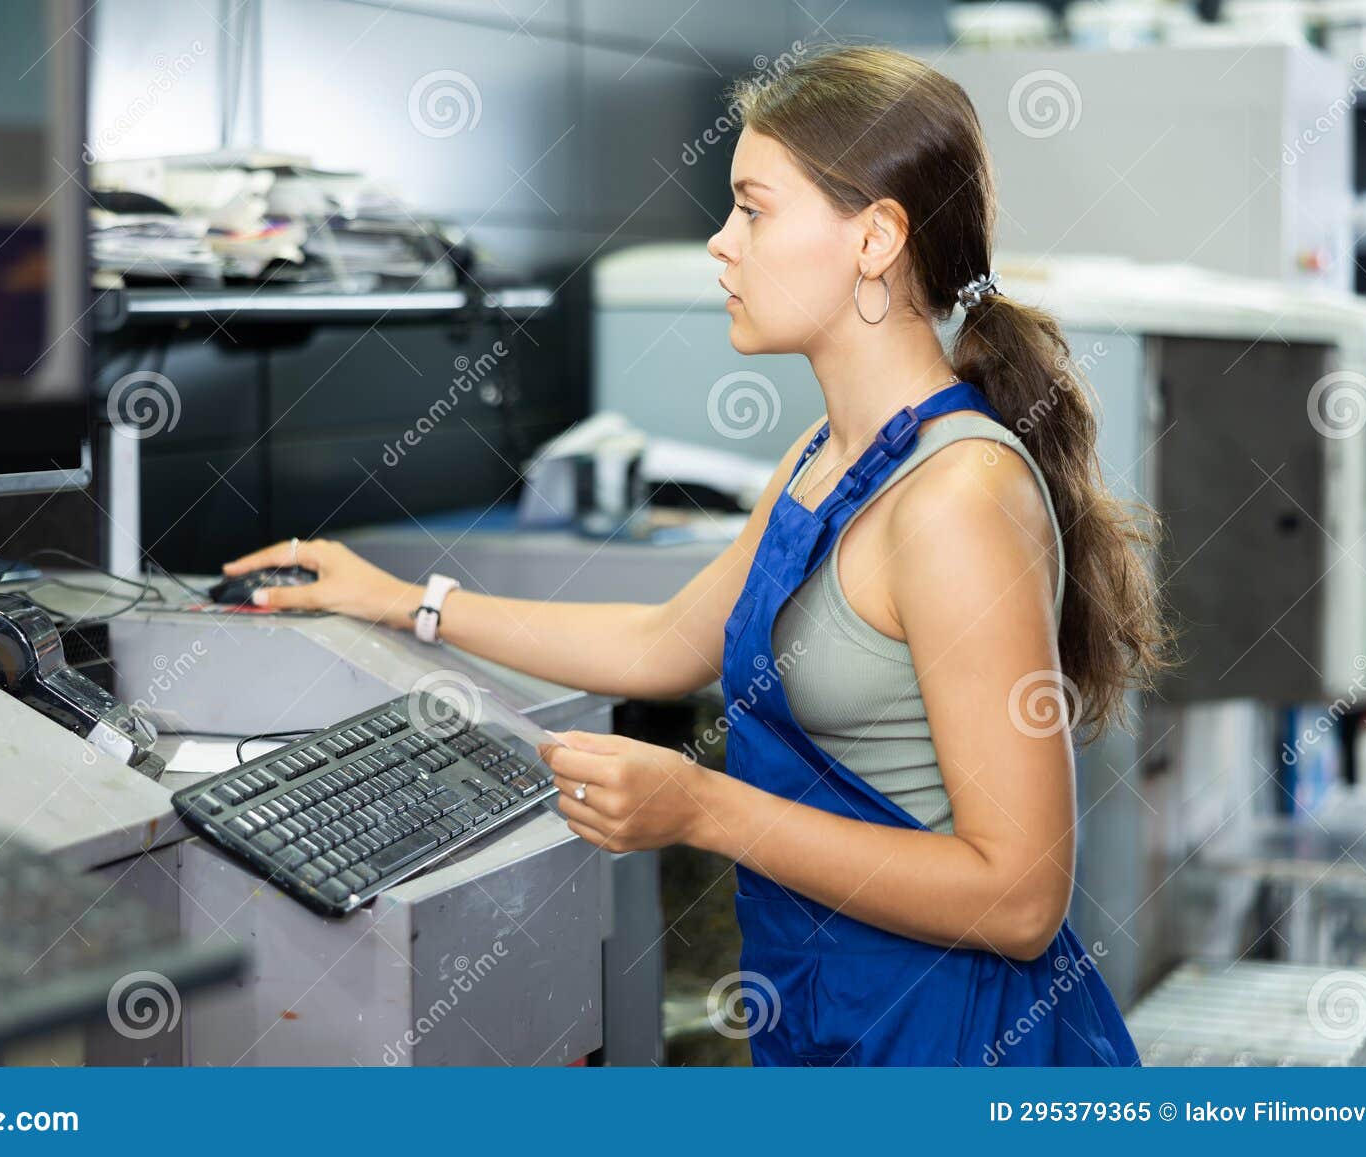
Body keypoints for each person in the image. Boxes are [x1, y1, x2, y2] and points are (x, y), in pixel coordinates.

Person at [222, 45, 1169, 1066]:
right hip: (830, 1016)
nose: (722, 245)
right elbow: (663, 640)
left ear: (876, 237)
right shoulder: (820, 459)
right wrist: (407, 601)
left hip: (955, 1041)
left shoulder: (956, 496)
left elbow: (1020, 896)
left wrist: (702, 806)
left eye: (752, 209)